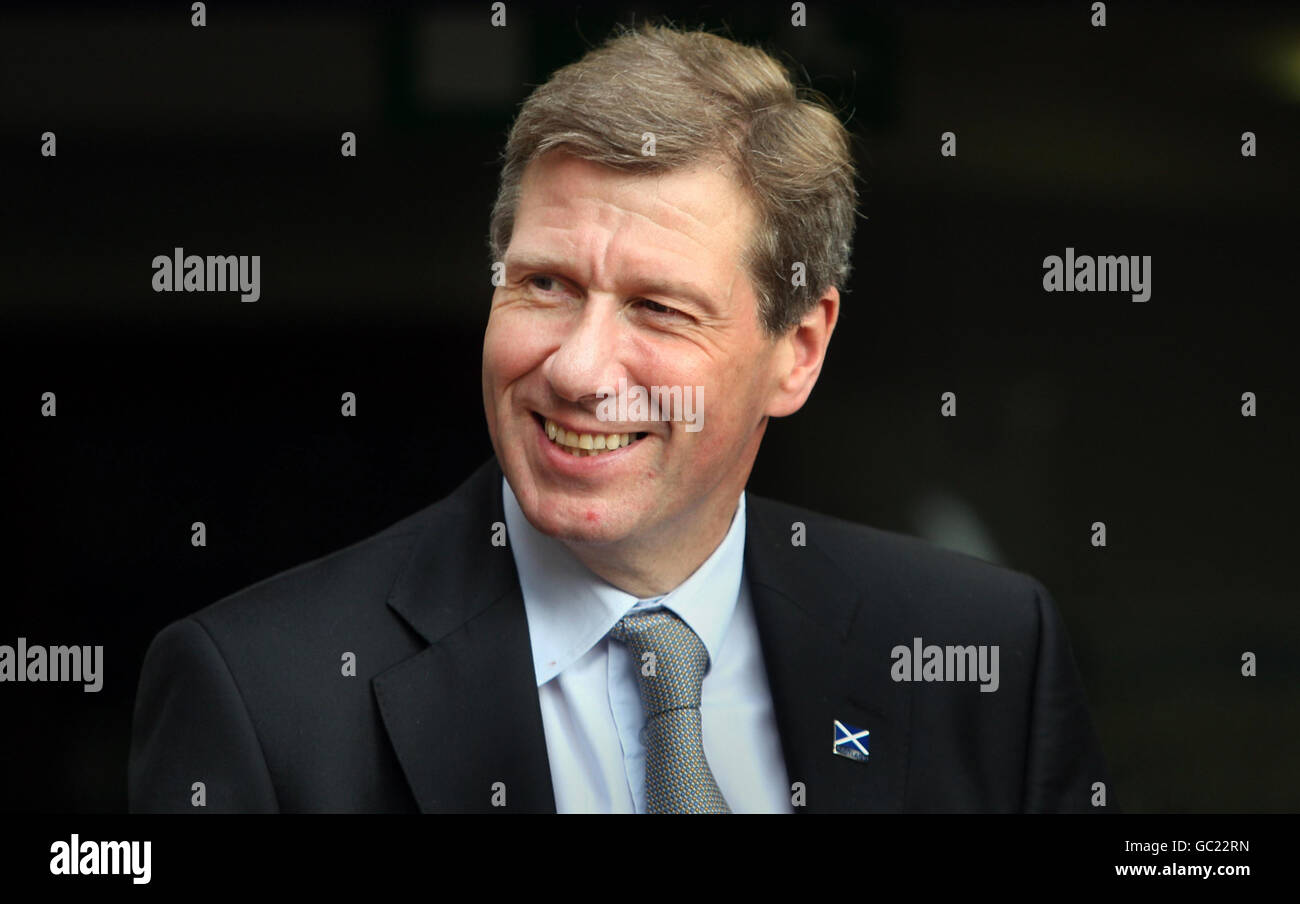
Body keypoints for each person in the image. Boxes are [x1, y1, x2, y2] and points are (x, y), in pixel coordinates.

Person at [129, 23, 1113, 813]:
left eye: (657, 307)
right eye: (545, 284)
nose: (578, 368)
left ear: (798, 350)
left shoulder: (981, 651)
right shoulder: (263, 695)